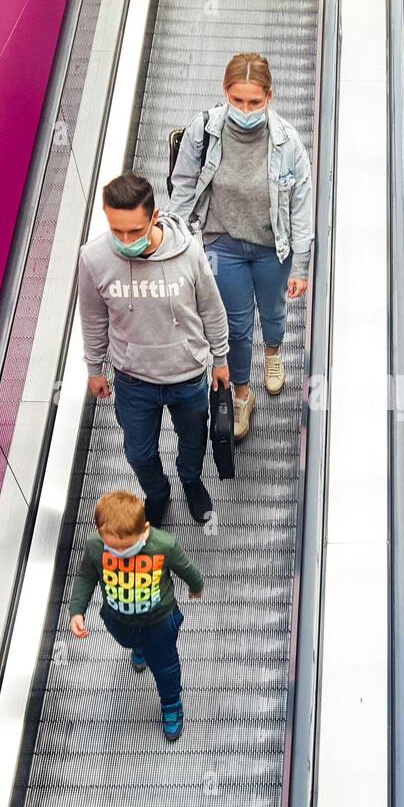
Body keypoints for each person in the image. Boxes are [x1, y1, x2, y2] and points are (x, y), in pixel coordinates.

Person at [167, 52, 314, 441]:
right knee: (234, 325)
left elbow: (301, 207)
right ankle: (243, 394)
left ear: (270, 96)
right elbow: (183, 187)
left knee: (273, 311)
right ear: (225, 93)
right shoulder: (204, 131)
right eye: (238, 101)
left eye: (254, 102)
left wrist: (301, 266)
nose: (246, 110)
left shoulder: (288, 143)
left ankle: (273, 352)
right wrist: (172, 244)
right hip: (223, 244)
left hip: (271, 248)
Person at [78, 172, 230, 526]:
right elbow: (92, 317)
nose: (125, 240)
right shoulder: (93, 259)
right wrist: (94, 368)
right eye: (117, 230)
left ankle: (191, 482)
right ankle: (157, 492)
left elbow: (211, 307)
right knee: (138, 452)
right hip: (133, 380)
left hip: (187, 374)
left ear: (154, 217)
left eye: (134, 230)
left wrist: (221, 359)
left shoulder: (189, 251)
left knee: (193, 441)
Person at [69, 490, 202, 741]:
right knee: (130, 643)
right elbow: (86, 575)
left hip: (159, 624)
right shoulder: (95, 546)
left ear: (145, 529)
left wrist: (196, 586)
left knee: (165, 667)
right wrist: (77, 610)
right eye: (114, 547)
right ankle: (138, 649)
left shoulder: (163, 545)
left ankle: (171, 704)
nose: (120, 553)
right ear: (100, 534)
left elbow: (187, 569)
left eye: (128, 547)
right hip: (119, 621)